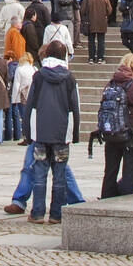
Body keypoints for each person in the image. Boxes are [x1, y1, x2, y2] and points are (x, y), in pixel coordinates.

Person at [22, 39, 80, 223]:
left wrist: (27, 131)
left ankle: (38, 212)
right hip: (62, 132)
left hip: (41, 131)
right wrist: (74, 133)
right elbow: (75, 107)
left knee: (39, 173)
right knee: (60, 176)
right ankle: (56, 214)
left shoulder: (39, 76)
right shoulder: (70, 78)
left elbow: (30, 104)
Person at [99, 52, 133, 199]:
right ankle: (125, 202)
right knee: (130, 171)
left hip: (111, 133)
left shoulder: (111, 83)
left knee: (110, 171)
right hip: (130, 134)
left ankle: (106, 199)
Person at [81, 0, 111, 64]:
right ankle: (100, 58)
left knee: (91, 41)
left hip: (90, 22)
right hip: (102, 22)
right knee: (101, 41)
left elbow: (82, 10)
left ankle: (91, 58)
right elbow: (109, 10)